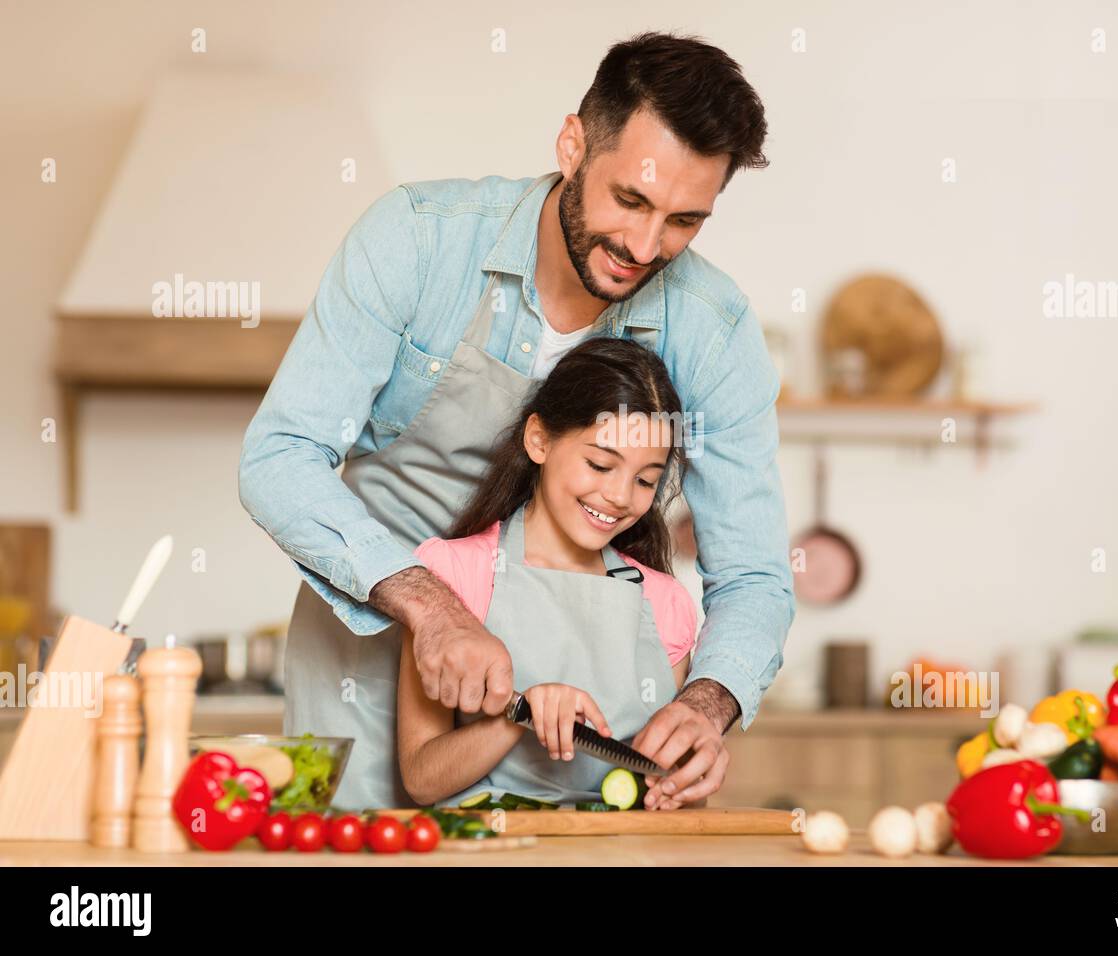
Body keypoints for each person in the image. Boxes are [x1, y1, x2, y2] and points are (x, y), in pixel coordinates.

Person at [239, 31, 794, 810]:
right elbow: (278, 458)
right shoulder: (418, 239)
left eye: (683, 221)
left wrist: (710, 702)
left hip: (570, 718)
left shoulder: (715, 328)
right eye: (630, 200)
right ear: (572, 144)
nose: (643, 245)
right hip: (364, 657)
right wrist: (432, 605)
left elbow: (756, 576)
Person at [397, 337, 700, 808]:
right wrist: (516, 717)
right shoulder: (453, 573)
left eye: (645, 480)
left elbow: (680, 789)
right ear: (539, 439)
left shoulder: (666, 602)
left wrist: (680, 786)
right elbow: (421, 776)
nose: (621, 496)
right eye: (600, 464)